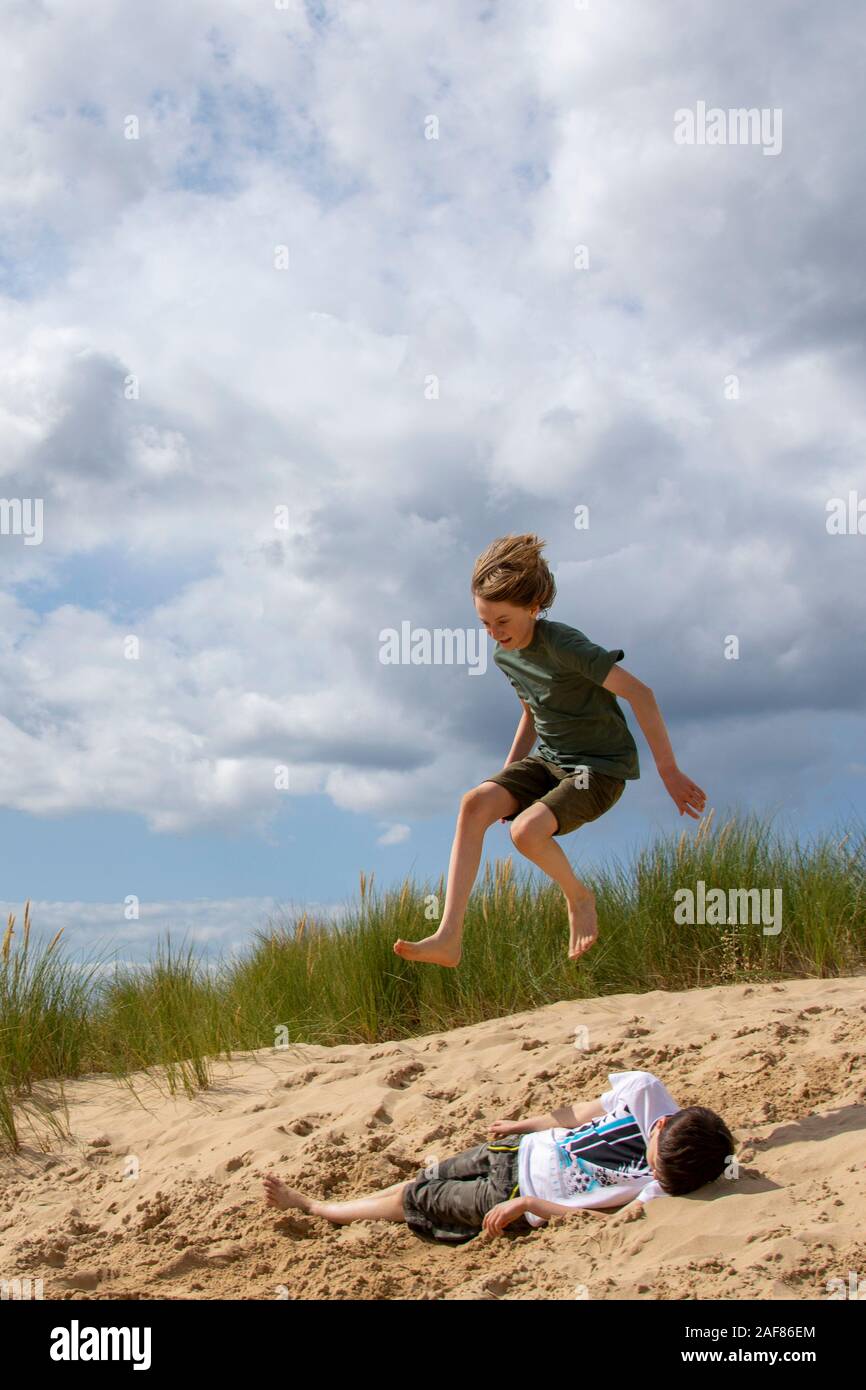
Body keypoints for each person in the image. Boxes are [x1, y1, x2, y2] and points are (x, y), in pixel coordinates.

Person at [394, 532, 706, 967]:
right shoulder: (506, 657)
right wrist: (505, 779)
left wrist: (668, 770)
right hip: (549, 760)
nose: (494, 633)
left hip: (598, 769)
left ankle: (579, 898)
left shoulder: (565, 645)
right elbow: (531, 712)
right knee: (474, 803)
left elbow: (642, 694)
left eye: (502, 621)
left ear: (533, 608)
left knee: (526, 832)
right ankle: (449, 937)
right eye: (484, 623)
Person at [262, 1070, 735, 1243]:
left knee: (418, 1198)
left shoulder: (667, 1180)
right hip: (514, 1150)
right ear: (659, 1125)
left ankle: (315, 1208)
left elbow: (598, 1218)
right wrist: (523, 1125)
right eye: (652, 1160)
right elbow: (579, 1115)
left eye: (657, 1173)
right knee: (425, 1177)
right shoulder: (644, 1091)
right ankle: (350, 1204)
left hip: (509, 1195)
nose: (649, 1173)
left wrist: (529, 1207)